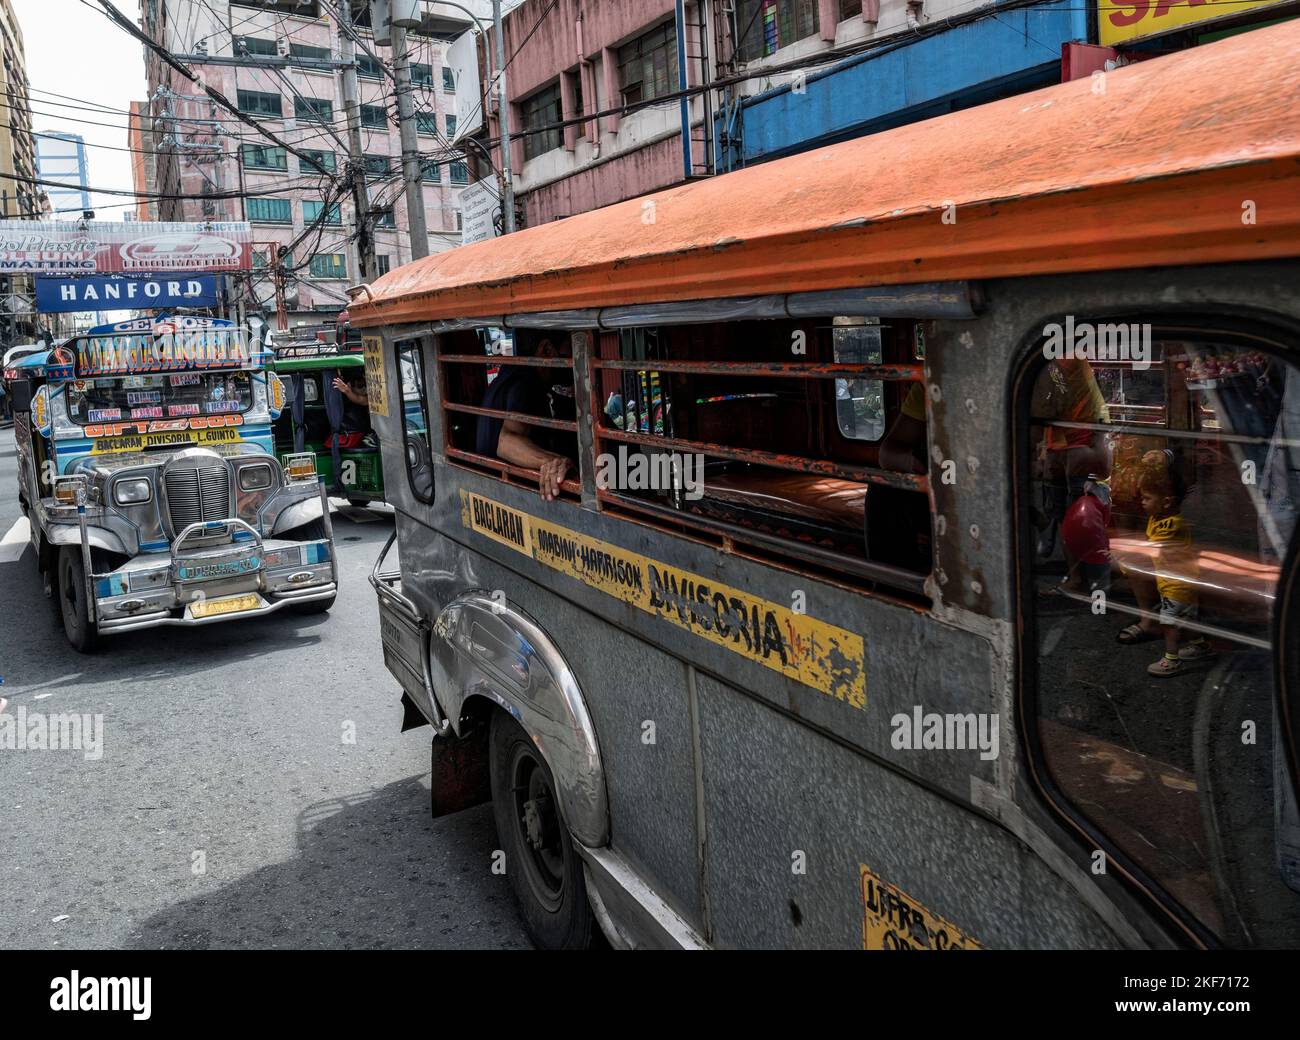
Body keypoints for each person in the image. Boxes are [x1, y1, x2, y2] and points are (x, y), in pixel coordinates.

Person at [1116, 449, 1213, 676]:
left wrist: (1124, 557)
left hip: (1177, 585)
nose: (1142, 502)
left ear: (1167, 502)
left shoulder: (1170, 526)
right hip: (1173, 582)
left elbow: (1152, 551)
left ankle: (1172, 659)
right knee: (1187, 618)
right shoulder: (1157, 519)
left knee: (1169, 623)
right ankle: (1200, 645)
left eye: (1147, 498)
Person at [476, 335, 574, 502]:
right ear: (547, 350)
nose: (573, 362)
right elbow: (505, 443)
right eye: (571, 352)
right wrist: (552, 461)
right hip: (508, 495)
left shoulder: (507, 377)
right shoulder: (527, 382)